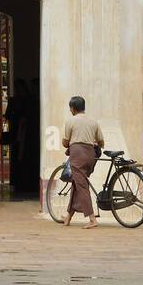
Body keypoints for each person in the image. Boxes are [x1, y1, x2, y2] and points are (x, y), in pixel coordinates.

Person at [61, 95, 104, 229]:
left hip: (77, 155)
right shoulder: (93, 122)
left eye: (70, 108)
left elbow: (65, 142)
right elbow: (101, 142)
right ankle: (68, 217)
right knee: (77, 183)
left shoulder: (70, 121)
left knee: (82, 187)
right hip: (90, 155)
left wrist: (69, 142)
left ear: (73, 109)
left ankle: (92, 219)